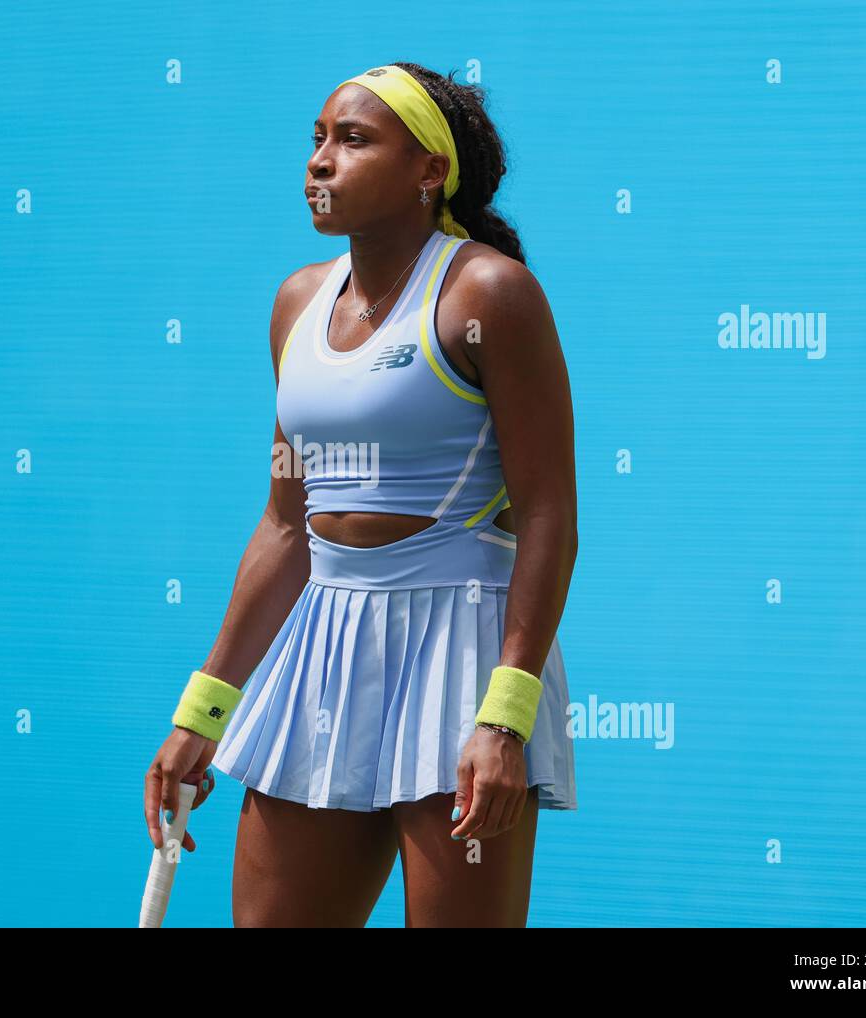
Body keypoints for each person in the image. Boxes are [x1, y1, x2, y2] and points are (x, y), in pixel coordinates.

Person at [144, 61, 578, 928]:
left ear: (430, 170)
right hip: (323, 648)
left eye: (352, 139)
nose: (320, 161)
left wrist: (506, 715)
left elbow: (547, 515)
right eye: (316, 139)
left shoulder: (490, 292)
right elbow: (285, 523)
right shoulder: (296, 304)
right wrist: (205, 708)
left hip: (465, 647)